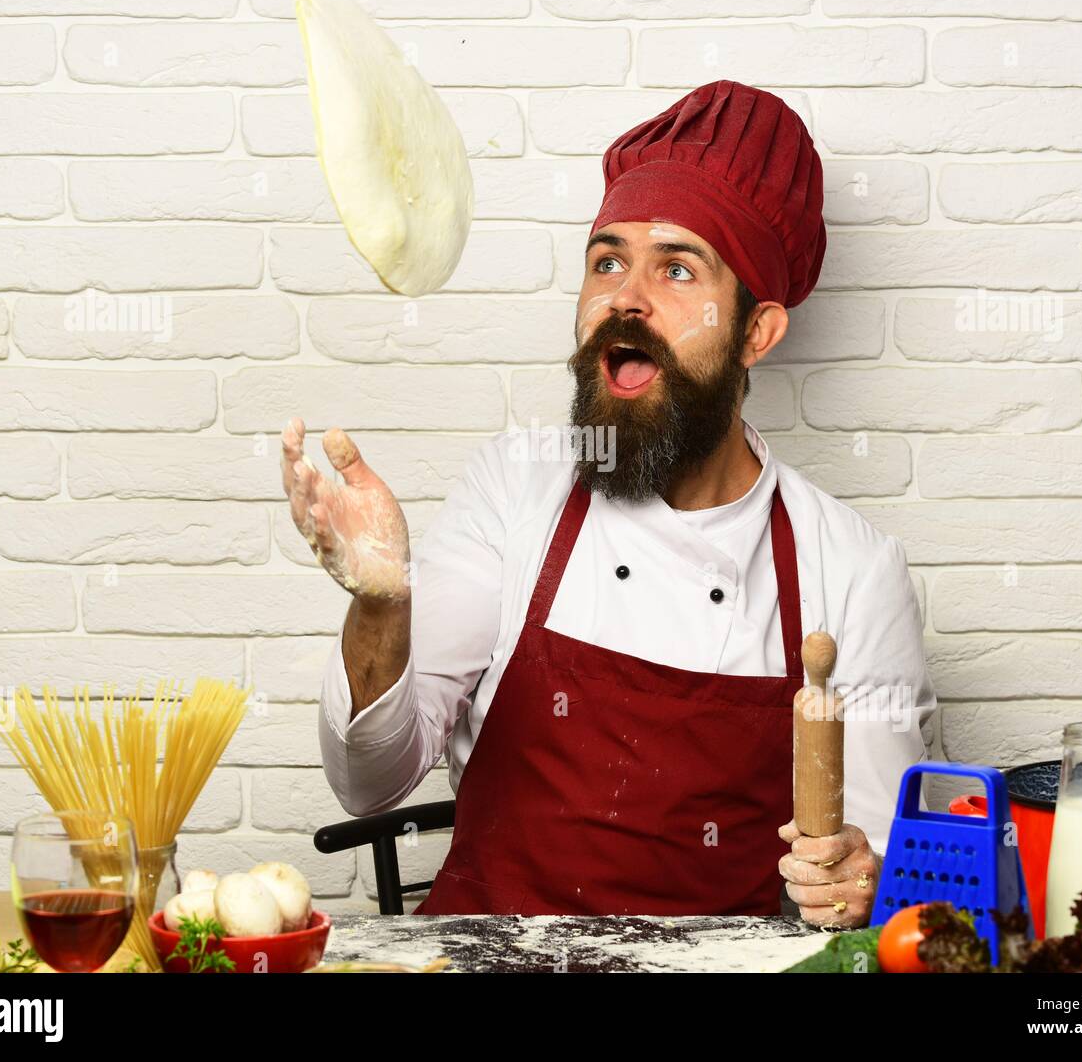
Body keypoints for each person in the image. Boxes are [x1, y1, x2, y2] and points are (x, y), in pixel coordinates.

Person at [284, 79, 936, 924]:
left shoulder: (849, 570)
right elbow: (367, 781)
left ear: (757, 332)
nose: (626, 295)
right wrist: (382, 610)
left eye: (676, 267)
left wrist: (862, 875)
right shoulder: (514, 490)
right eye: (607, 260)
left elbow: (886, 876)